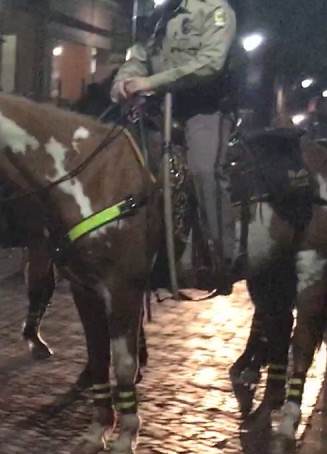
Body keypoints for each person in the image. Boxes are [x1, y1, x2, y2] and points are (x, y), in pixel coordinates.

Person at [114, 0, 239, 280]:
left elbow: (211, 63)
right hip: (158, 112)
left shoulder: (215, 11)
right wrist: (123, 81)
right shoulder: (158, 16)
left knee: (203, 170)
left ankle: (222, 255)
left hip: (204, 109)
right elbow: (137, 57)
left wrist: (152, 82)